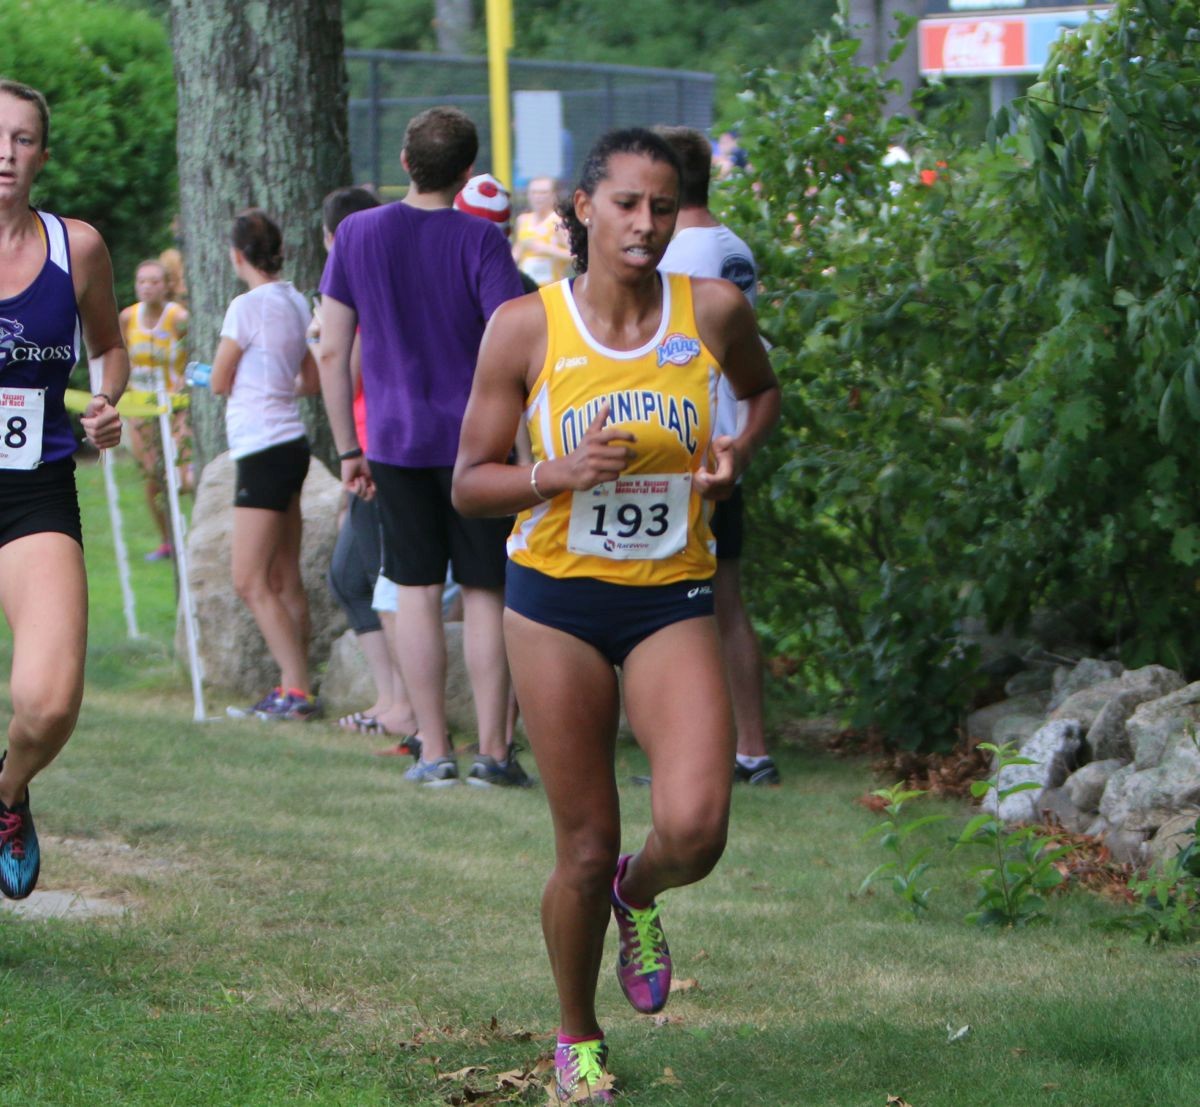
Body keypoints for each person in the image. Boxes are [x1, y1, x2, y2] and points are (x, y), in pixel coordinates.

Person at [451, 128, 780, 1101]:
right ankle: (576, 1034)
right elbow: (470, 482)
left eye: (664, 206)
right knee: (582, 846)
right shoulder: (524, 327)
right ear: (581, 211)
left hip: (670, 595)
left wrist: (734, 453)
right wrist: (555, 472)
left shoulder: (712, 311)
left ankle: (644, 892)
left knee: (700, 825)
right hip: (554, 605)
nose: (646, 223)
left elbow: (760, 397)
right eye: (628, 203)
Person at [317, 106, 529, 787]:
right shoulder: (482, 243)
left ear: (405, 162)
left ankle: (433, 748)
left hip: (394, 441)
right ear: (467, 172)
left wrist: (349, 447)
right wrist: (525, 452)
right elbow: (512, 345)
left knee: (411, 588)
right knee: (486, 591)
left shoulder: (356, 234)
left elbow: (331, 350)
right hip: (480, 445)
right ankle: (494, 753)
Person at [0, 78, 128, 899]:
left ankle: (6, 794)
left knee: (49, 702)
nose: (2, 153)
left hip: (32, 490)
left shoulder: (75, 247)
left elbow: (110, 347)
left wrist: (108, 400)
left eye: (19, 139)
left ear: (42, 154)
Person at [656, 125, 780, 786]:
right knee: (726, 602)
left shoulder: (674, 254)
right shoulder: (733, 246)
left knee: (684, 609)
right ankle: (752, 747)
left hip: (688, 449)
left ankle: (698, 754)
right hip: (732, 440)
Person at [315, 185, 419, 744]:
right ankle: (392, 699)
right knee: (350, 577)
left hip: (376, 446)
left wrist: (320, 336)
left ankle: (410, 709)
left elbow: (345, 366)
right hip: (371, 444)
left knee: (385, 581)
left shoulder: (359, 284)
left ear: (336, 237)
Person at [212, 208, 322, 722]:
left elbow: (217, 378)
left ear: (238, 256)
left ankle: (295, 692)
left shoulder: (245, 306)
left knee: (249, 579)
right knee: (285, 577)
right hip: (292, 443)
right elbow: (310, 379)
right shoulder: (296, 301)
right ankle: (297, 687)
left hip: (260, 448)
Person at [119, 257, 191, 561]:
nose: (147, 287)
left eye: (154, 281)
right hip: (140, 405)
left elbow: (193, 356)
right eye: (142, 281)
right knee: (152, 476)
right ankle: (167, 542)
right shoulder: (127, 317)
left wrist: (184, 391)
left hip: (175, 405)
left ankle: (199, 531)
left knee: (183, 475)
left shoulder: (179, 318)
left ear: (167, 286)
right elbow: (120, 357)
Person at [511, 176, 572, 287]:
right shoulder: (523, 220)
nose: (538, 197)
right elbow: (517, 252)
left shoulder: (558, 221)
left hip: (552, 288)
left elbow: (574, 254)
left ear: (553, 195)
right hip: (528, 289)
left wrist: (546, 249)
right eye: (534, 192)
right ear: (528, 195)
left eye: (543, 193)